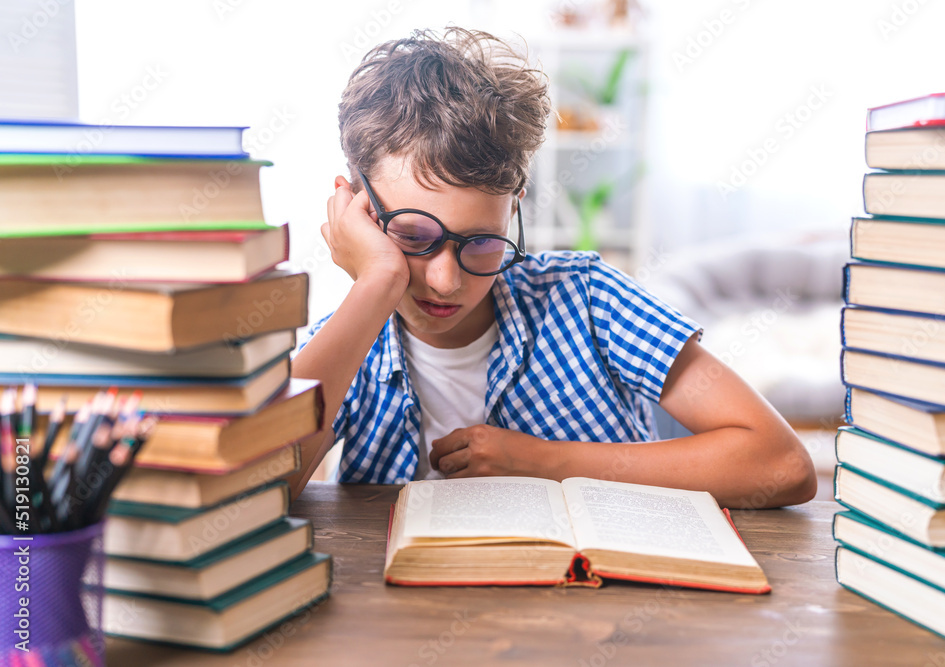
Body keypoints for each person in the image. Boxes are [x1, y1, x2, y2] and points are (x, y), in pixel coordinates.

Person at [287, 27, 816, 508]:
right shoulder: (346, 346)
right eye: (413, 237)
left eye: (483, 243)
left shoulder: (588, 298)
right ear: (354, 210)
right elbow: (254, 496)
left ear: (513, 208)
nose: (446, 281)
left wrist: (547, 463)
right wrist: (377, 283)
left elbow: (782, 464)